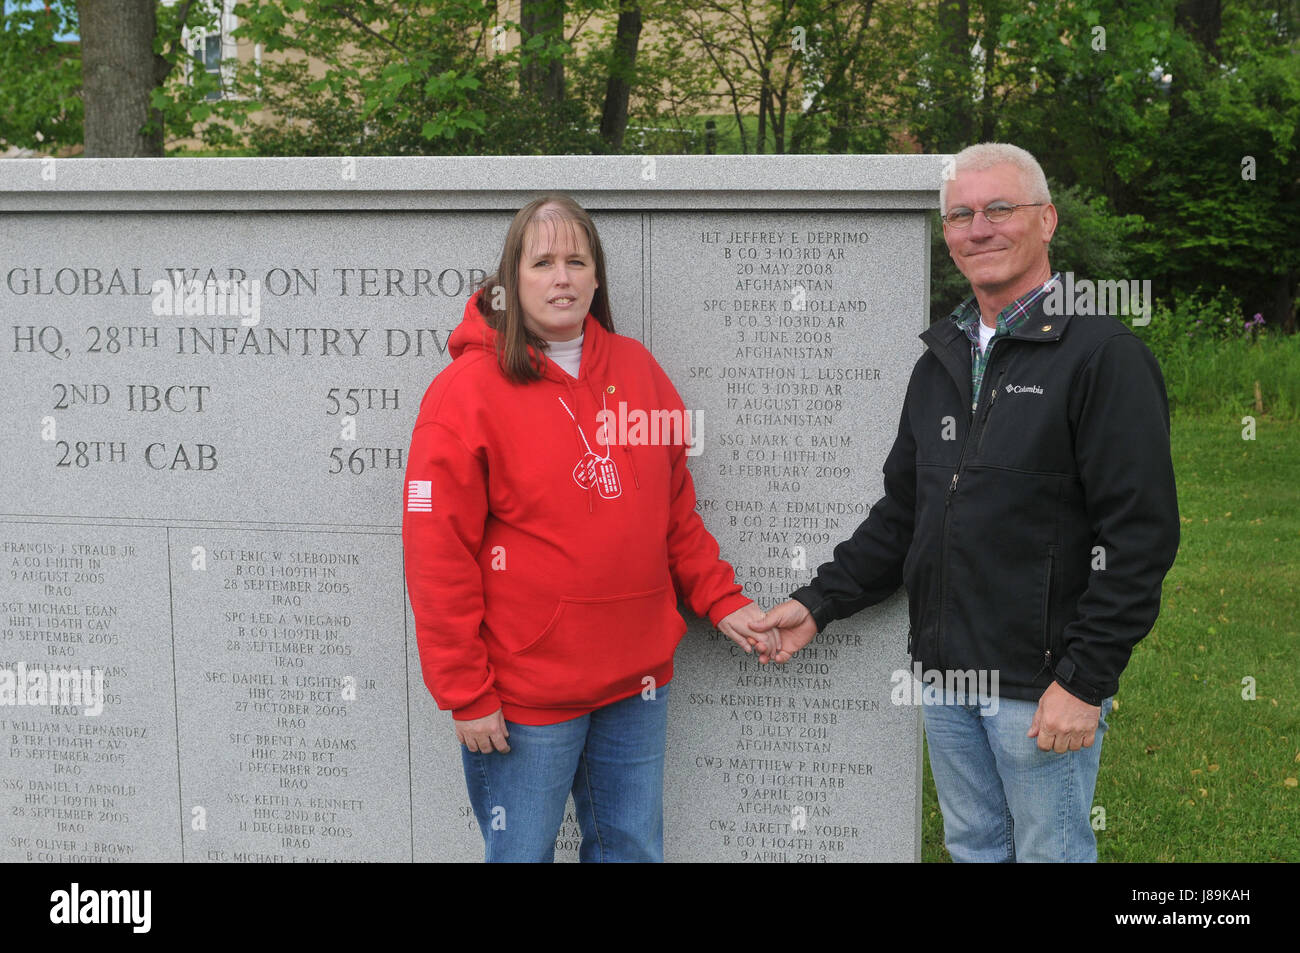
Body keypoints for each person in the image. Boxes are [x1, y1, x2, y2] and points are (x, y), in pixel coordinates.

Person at [750, 143, 1180, 862]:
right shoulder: (940, 360)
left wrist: (1084, 679)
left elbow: (1139, 537)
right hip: (948, 677)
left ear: (1046, 221)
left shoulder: (1101, 354)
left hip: (1042, 684)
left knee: (1052, 852)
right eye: (961, 215)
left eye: (999, 209)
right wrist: (819, 600)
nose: (979, 228)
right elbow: (905, 513)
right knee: (975, 847)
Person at [402, 194, 764, 863]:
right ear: (510, 282)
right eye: (542, 262)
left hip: (638, 682)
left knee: (629, 847)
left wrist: (723, 598)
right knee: (524, 853)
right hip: (525, 693)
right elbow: (437, 555)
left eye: (577, 259)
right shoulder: (467, 391)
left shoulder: (637, 370)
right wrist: (465, 691)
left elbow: (674, 511)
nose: (562, 276)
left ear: (597, 278)